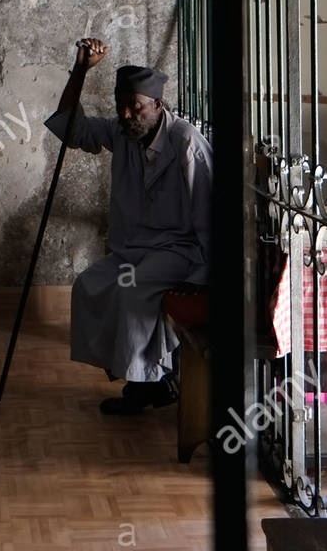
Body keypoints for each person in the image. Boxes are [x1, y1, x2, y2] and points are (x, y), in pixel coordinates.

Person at [44, 38, 213, 415]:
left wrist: (202, 274)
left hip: (180, 250)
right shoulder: (123, 134)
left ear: (158, 105)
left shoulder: (186, 142)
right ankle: (150, 381)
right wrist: (80, 71)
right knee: (88, 286)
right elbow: (70, 129)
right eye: (122, 107)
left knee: (131, 290)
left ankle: (148, 384)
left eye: (135, 107)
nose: (126, 115)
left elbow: (209, 212)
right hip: (135, 249)